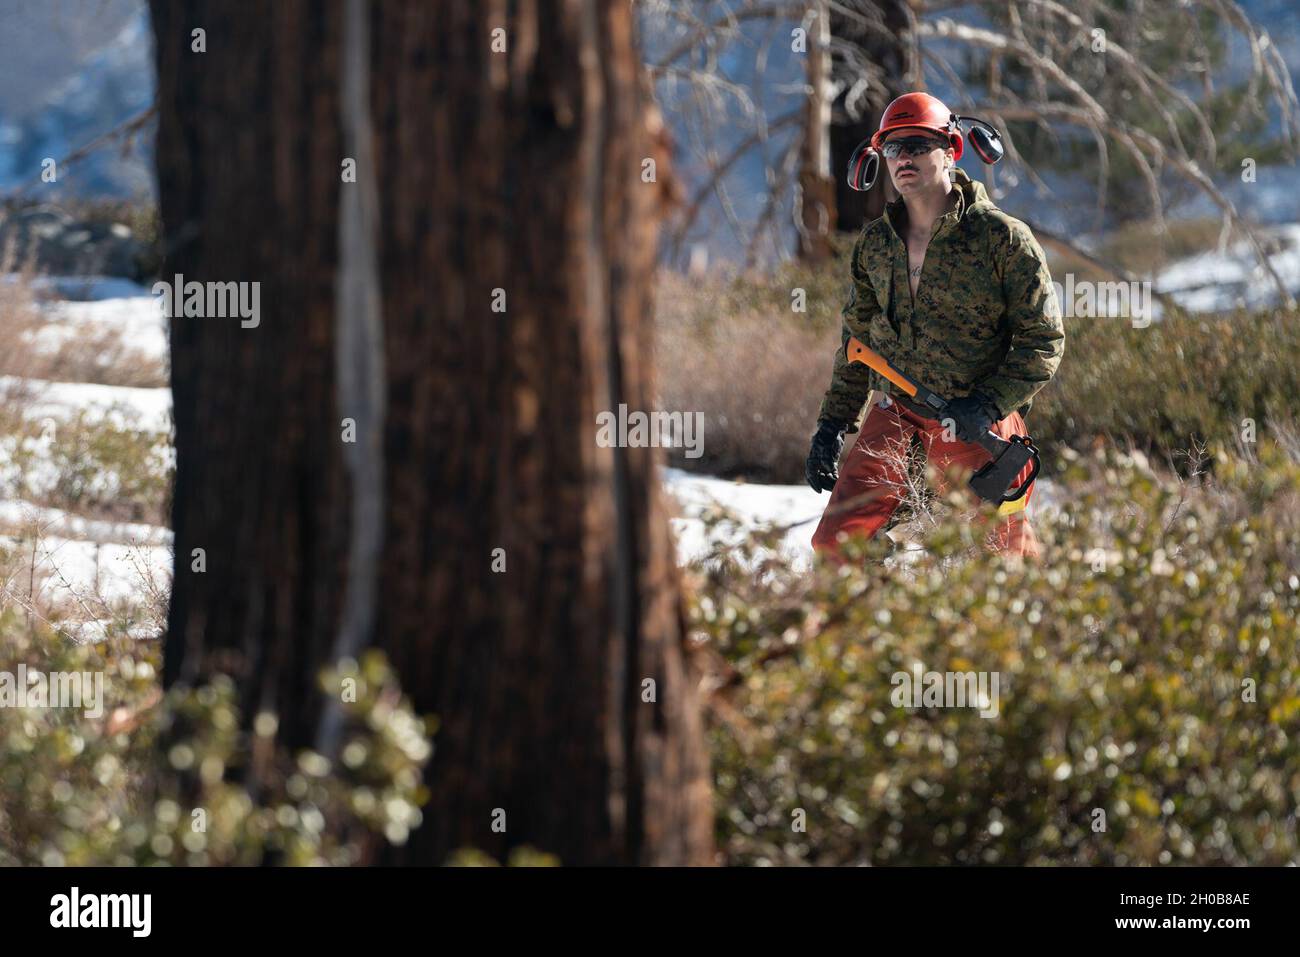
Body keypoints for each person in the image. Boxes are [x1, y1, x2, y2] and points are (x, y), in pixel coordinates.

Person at [806, 92, 1064, 559]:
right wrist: (832, 424)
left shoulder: (1002, 238)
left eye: (917, 145)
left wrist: (987, 406)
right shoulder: (875, 245)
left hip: (974, 430)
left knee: (1000, 569)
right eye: (892, 148)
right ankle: (880, 629)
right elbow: (856, 342)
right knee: (837, 547)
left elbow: (1043, 342)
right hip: (893, 420)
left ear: (951, 150)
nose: (903, 158)